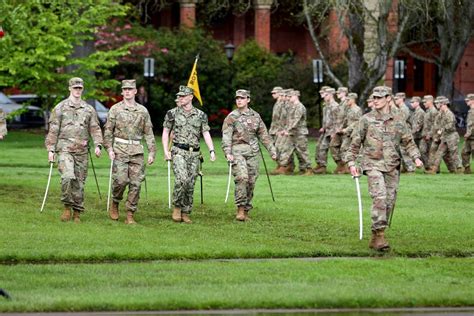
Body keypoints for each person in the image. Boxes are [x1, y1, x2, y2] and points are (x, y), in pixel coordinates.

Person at [345, 86, 423, 251]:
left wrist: (416, 157)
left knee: (389, 201)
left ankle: (375, 235)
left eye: (379, 97)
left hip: (392, 165)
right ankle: (380, 235)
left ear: (389, 98)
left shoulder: (398, 120)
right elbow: (355, 142)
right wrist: (351, 162)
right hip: (372, 164)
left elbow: (408, 141)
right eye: (374, 97)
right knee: (379, 197)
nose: (375, 100)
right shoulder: (366, 119)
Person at [45, 77, 103, 223]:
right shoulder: (60, 108)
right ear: (69, 89)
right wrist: (50, 150)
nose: (77, 90)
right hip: (65, 149)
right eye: (75, 88)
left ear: (82, 89)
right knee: (67, 176)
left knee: (79, 183)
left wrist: (98, 145)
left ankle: (77, 212)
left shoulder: (88, 109)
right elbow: (53, 130)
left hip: (82, 151)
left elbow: (95, 128)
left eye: (80, 88)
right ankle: (66, 206)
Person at [104, 79, 156, 224]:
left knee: (136, 183)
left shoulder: (142, 111)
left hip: (137, 151)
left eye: (130, 89)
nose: (127, 91)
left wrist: (152, 152)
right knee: (120, 181)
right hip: (119, 149)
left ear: (135, 91)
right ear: (122, 92)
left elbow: (148, 133)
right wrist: (108, 148)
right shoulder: (115, 109)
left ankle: (130, 214)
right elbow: (108, 131)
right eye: (125, 89)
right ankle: (115, 201)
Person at [162, 85, 216, 224]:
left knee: (191, 183)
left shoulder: (200, 115)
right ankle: (177, 207)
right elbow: (166, 132)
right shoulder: (172, 113)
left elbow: (205, 133)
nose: (180, 98)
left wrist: (211, 150)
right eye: (179, 96)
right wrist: (166, 150)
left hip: (194, 153)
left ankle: (186, 211)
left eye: (183, 96)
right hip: (179, 151)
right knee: (182, 179)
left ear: (191, 97)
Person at [222, 89, 277, 221]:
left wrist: (272, 150)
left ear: (248, 100)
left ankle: (246, 209)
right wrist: (227, 152)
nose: (239, 100)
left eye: (242, 98)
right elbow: (226, 136)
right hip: (237, 151)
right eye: (237, 98)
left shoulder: (256, 116)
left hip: (253, 152)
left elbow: (264, 135)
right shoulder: (231, 117)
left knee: (251, 181)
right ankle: (240, 209)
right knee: (242, 177)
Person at [277, 90, 312, 175]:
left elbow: (296, 120)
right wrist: (285, 130)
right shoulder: (292, 107)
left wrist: (287, 130)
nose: (288, 98)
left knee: (302, 152)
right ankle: (285, 167)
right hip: (292, 133)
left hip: (299, 133)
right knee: (286, 149)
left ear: (296, 96)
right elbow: (289, 121)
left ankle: (308, 169)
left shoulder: (299, 107)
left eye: (290, 97)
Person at [426, 97, 462, 174]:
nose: (436, 105)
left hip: (452, 137)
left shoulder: (449, 114)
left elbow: (450, 126)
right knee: (439, 153)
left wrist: (441, 130)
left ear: (443, 104)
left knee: (454, 153)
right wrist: (435, 134)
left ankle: (459, 169)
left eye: (438, 103)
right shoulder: (441, 113)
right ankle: (434, 170)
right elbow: (436, 125)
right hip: (444, 137)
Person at [314, 87, 337, 174]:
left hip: (331, 131)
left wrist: (334, 131)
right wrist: (323, 127)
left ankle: (340, 166)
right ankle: (320, 165)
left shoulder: (335, 106)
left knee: (328, 148)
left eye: (326, 94)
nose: (324, 96)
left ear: (331, 95)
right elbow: (327, 119)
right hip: (326, 130)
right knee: (319, 147)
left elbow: (337, 120)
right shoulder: (327, 106)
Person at [340, 92, 362, 170]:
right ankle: (347, 167)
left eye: (348, 100)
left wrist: (347, 129)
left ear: (353, 100)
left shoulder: (357, 110)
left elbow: (357, 122)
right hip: (348, 132)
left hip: (354, 132)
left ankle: (356, 166)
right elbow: (346, 120)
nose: (347, 101)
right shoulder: (349, 109)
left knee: (354, 149)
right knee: (343, 148)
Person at [419, 95, 436, 168]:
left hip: (431, 136)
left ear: (430, 101)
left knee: (431, 153)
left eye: (425, 102)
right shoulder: (427, 111)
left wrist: (430, 134)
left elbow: (435, 125)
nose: (424, 103)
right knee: (422, 151)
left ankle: (433, 168)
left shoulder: (434, 111)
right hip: (425, 136)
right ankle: (428, 167)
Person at [461, 94, 474, 174]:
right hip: (469, 137)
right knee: (464, 153)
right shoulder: (470, 111)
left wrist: (468, 133)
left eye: (468, 100)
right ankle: (467, 169)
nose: (466, 102)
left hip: (472, 136)